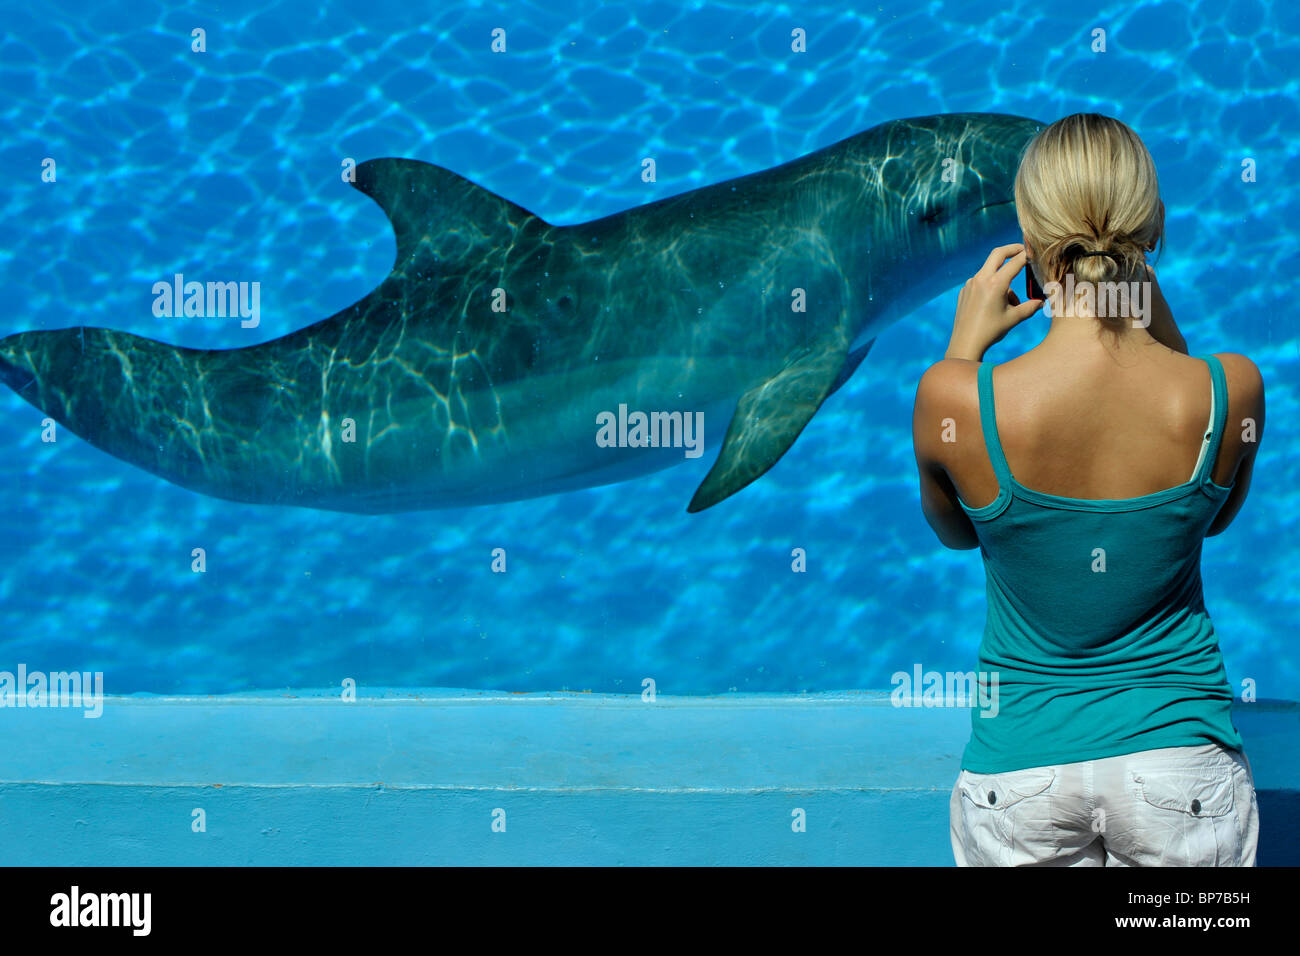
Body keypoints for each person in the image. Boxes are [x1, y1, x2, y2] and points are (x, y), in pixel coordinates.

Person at [911, 113, 1264, 866]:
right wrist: (1136, 298)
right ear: (1155, 229)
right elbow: (1216, 520)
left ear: (1031, 245)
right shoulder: (1229, 391)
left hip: (1021, 773)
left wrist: (962, 353)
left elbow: (954, 532)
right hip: (1181, 766)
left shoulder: (955, 401)